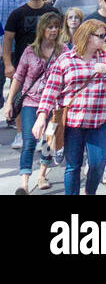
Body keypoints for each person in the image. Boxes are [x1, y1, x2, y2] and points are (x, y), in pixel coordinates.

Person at [33, 18, 106, 195]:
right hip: (73, 122)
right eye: (101, 35)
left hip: (99, 121)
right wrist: (41, 116)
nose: (105, 38)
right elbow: (51, 90)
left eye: (105, 35)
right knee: (73, 166)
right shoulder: (66, 59)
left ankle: (89, 192)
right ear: (87, 36)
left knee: (98, 164)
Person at [3, 10, 62, 194]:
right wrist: (9, 102)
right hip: (31, 101)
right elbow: (18, 78)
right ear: (42, 29)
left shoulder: (64, 51)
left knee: (48, 140)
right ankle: (24, 183)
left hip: (54, 103)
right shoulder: (30, 51)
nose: (53, 30)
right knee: (29, 141)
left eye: (56, 27)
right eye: (50, 27)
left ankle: (42, 174)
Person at [4, 0, 52, 81]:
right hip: (23, 64)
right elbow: (8, 39)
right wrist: (8, 64)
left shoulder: (52, 12)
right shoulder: (17, 14)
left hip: (48, 63)